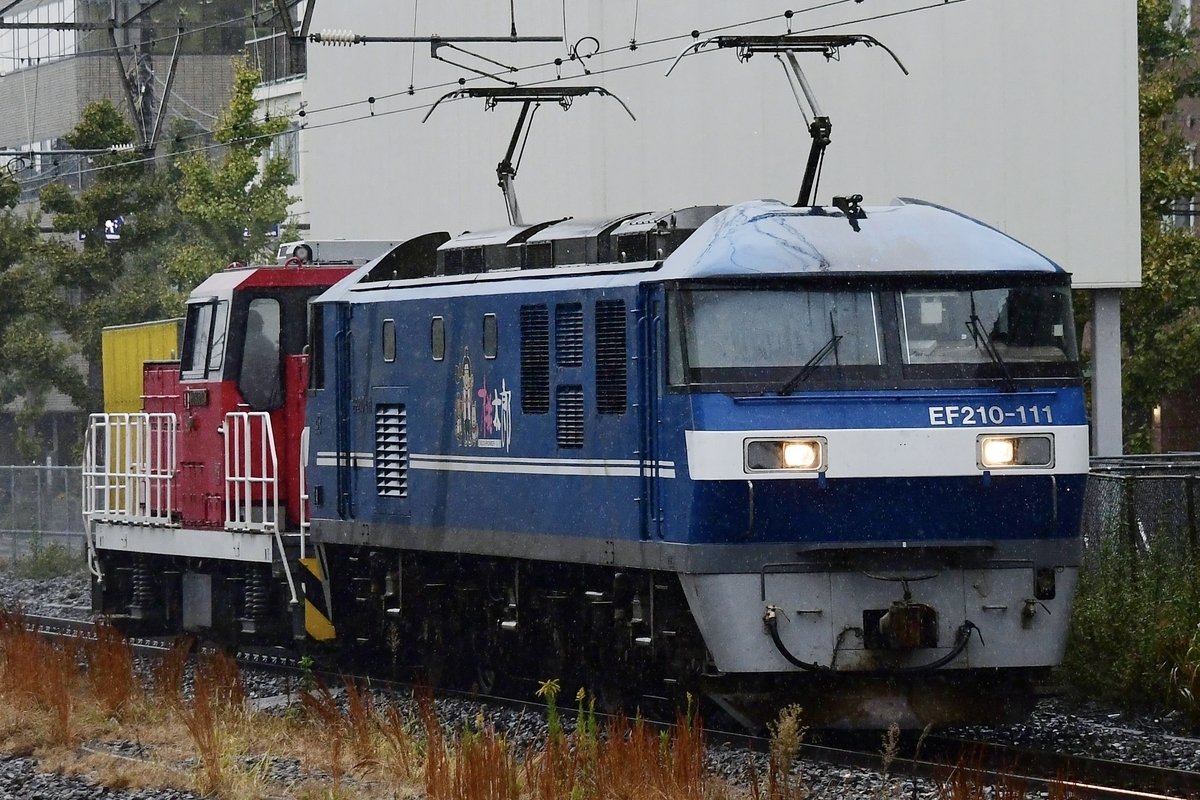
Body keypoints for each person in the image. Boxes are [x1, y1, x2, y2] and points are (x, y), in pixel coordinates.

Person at [239, 305, 282, 409]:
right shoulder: (267, 345)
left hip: (254, 397)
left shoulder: (243, 344)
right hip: (266, 395)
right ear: (260, 325)